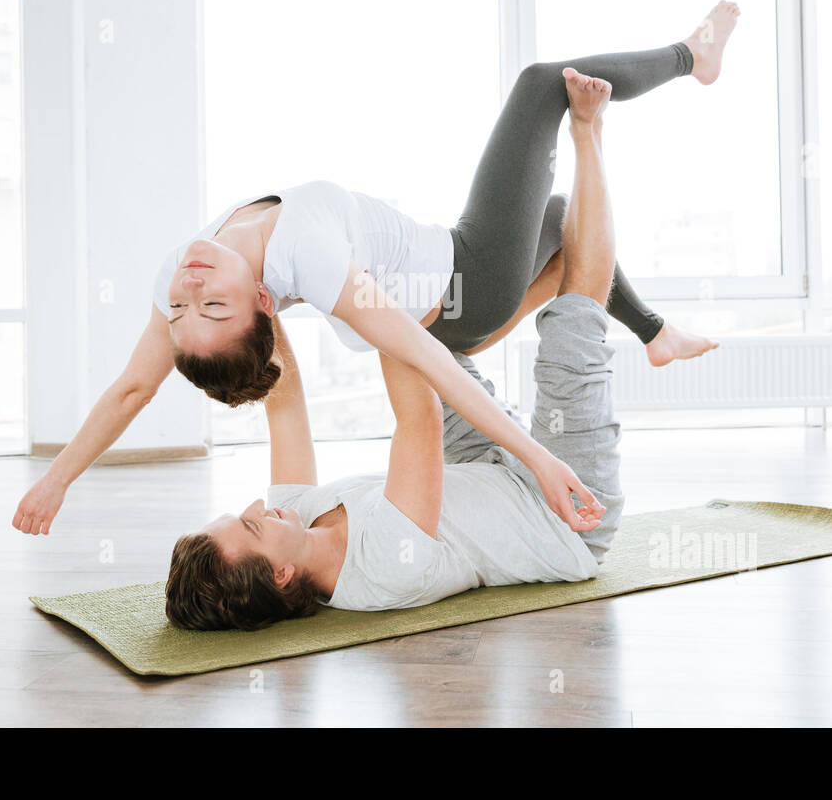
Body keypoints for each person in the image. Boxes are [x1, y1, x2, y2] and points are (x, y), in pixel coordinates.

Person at [12, 2, 740, 538]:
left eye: (183, 310)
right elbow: (430, 359)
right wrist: (539, 461)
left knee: (559, 218)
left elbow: (134, 386)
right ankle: (692, 56)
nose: (189, 293)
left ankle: (654, 332)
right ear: (265, 301)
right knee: (542, 84)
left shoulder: (185, 268)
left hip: (451, 268)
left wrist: (56, 479)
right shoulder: (315, 262)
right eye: (211, 309)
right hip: (464, 287)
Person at [166, 65, 639, 628]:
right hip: (562, 514)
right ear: (282, 576)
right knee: (571, 320)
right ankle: (590, 133)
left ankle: (565, 252)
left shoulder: (294, 520)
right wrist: (359, 292)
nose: (254, 508)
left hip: (477, 468)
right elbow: (418, 419)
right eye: (250, 526)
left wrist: (253, 302)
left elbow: (285, 405)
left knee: (446, 317)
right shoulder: (387, 566)